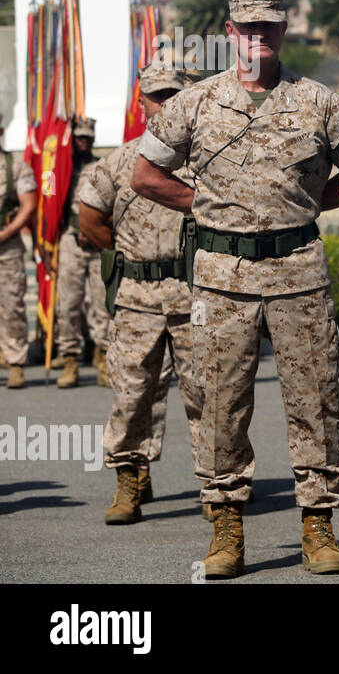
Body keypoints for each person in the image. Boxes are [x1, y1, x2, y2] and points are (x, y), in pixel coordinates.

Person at [133, 0, 339, 578]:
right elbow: (144, 175)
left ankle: (318, 524)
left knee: (316, 399)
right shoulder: (194, 103)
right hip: (222, 275)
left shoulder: (318, 101)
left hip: (298, 271)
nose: (258, 37)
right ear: (229, 34)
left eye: (268, 27)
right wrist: (204, 207)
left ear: (283, 31)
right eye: (247, 28)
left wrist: (314, 202)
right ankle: (226, 527)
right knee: (220, 402)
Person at [80, 61, 204, 525]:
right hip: (137, 296)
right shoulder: (120, 160)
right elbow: (90, 219)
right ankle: (130, 477)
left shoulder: (209, 160)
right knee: (132, 394)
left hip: (197, 297)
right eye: (157, 96)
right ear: (142, 102)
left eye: (174, 94)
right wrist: (129, 259)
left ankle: (218, 484)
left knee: (209, 394)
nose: (166, 104)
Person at [53, 117, 110, 388]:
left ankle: (103, 358)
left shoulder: (102, 166)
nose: (84, 142)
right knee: (69, 304)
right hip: (69, 241)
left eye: (88, 137)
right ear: (71, 139)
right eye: (79, 137)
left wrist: (98, 230)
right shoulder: (59, 169)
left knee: (101, 304)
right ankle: (70, 361)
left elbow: (112, 201)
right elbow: (50, 205)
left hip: (96, 239)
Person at [0, 114, 38, 389]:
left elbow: (28, 205)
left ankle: (15, 362)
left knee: (12, 304)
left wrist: (6, 233)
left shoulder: (14, 166)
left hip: (6, 246)